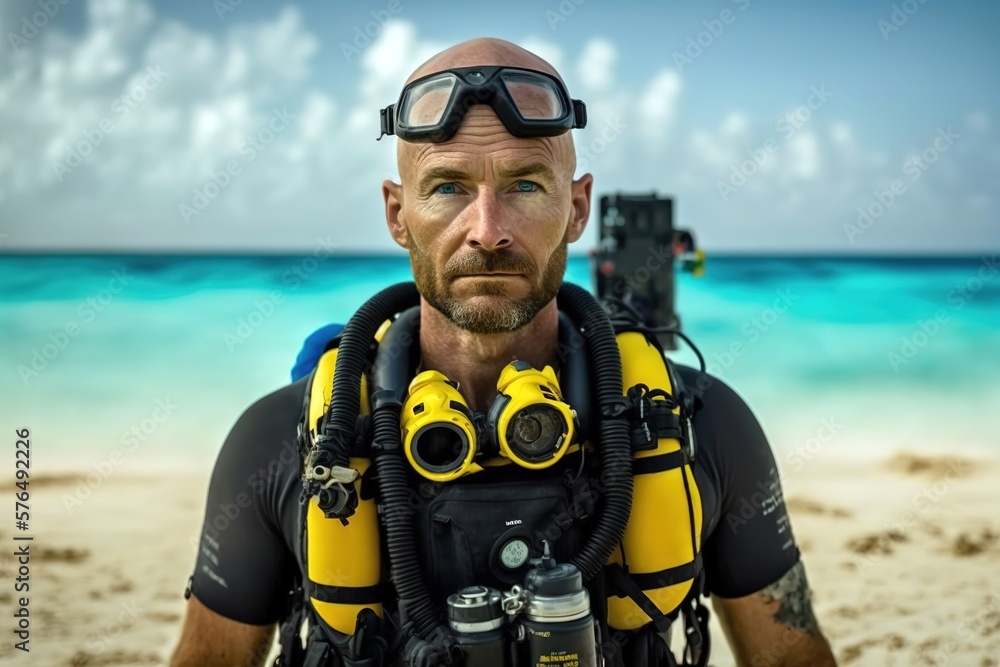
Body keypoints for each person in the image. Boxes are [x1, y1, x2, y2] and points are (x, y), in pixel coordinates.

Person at [170, 38, 838, 667]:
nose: (487, 231)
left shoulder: (700, 426)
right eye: (448, 187)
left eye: (524, 186)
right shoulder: (282, 443)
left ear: (577, 208)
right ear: (396, 213)